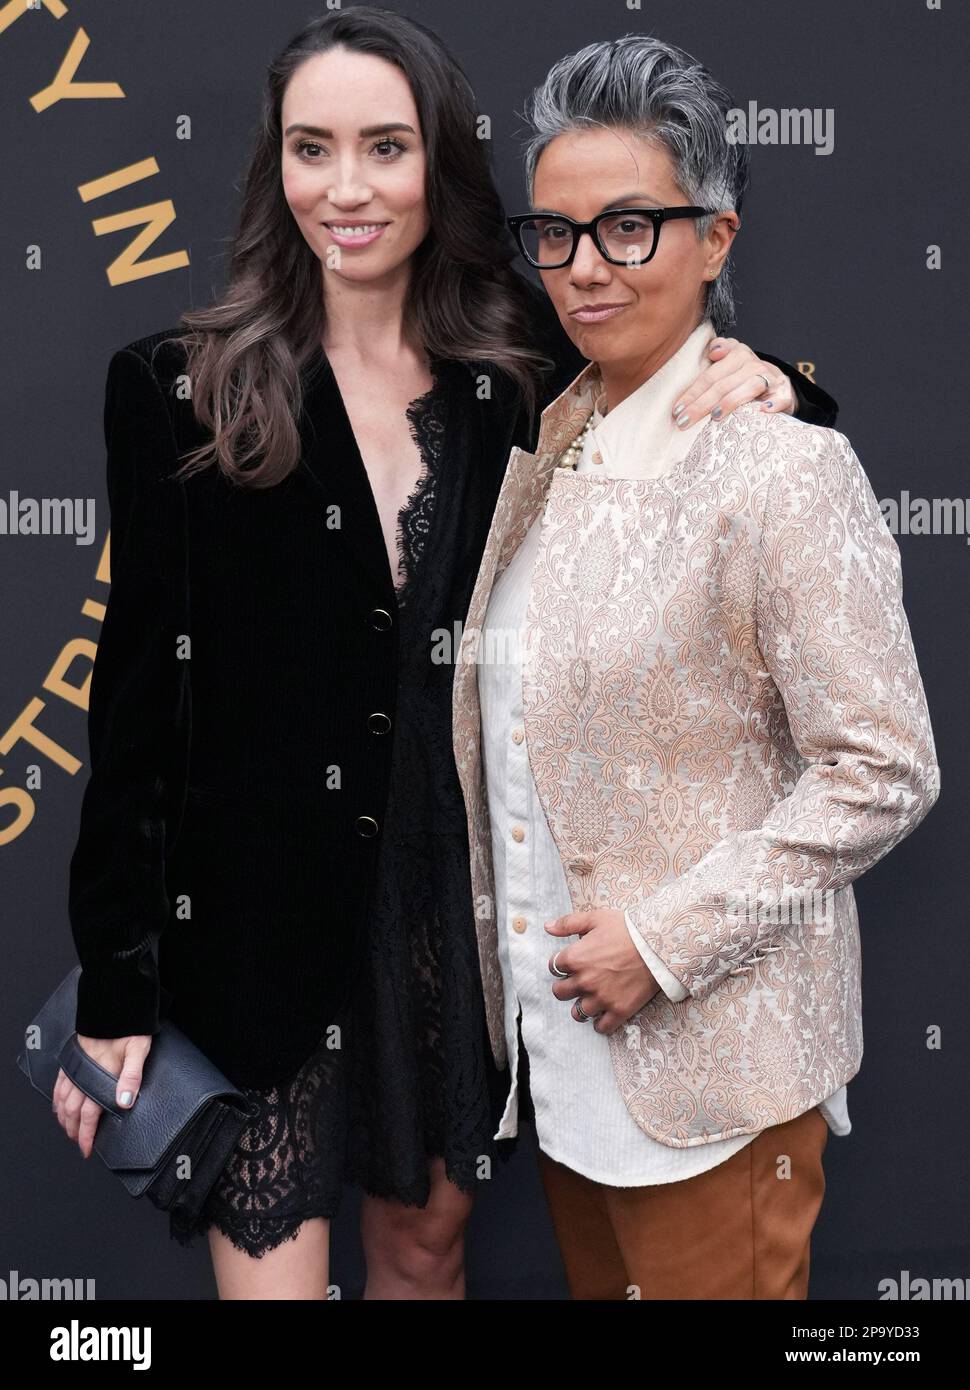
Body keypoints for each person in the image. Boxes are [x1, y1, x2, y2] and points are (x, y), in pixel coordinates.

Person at [55, 11, 837, 1301]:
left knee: (426, 1253)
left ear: (439, 168)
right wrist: (116, 985)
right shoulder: (176, 385)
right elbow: (135, 707)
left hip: (446, 906)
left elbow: (693, 389)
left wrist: (783, 386)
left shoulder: (519, 371)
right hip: (254, 924)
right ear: (276, 165)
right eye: (312, 148)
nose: (346, 189)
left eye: (384, 148)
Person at [455, 34, 940, 1299]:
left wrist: (663, 943)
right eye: (554, 235)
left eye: (629, 227)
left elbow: (885, 770)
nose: (584, 268)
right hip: (561, 1082)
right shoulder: (549, 448)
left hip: (716, 1077)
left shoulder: (782, 469)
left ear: (715, 238)